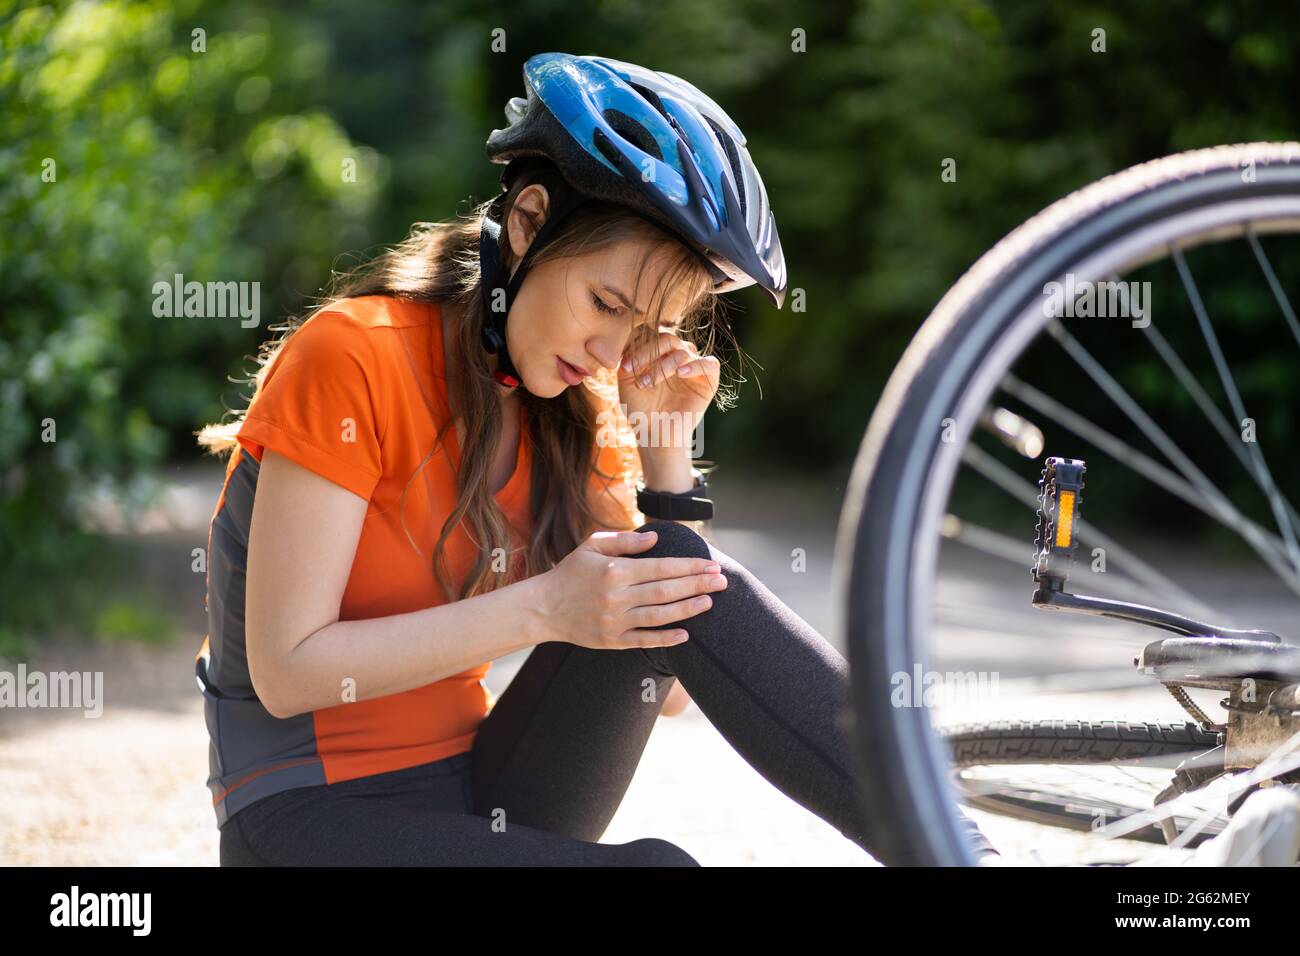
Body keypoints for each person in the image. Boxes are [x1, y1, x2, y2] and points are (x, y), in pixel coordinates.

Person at [194, 52, 998, 866]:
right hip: (305, 819)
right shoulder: (352, 355)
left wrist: (667, 468)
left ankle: (959, 853)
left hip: (480, 795)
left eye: (645, 329)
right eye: (606, 304)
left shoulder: (571, 410)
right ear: (529, 220)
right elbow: (288, 670)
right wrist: (547, 606)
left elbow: (679, 684)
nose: (614, 352)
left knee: (672, 563)